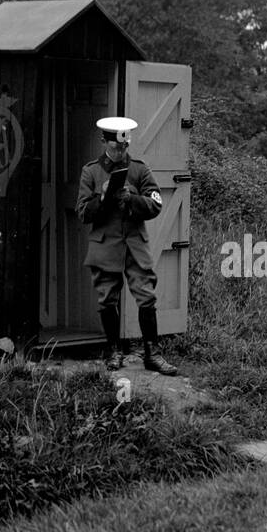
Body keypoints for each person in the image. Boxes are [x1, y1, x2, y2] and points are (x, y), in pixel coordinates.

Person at [76, 117, 178, 375]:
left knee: (146, 297)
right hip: (105, 244)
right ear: (104, 141)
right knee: (106, 299)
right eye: (116, 144)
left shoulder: (140, 170)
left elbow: (155, 204)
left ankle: (152, 354)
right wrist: (104, 199)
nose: (122, 150)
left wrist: (132, 198)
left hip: (135, 245)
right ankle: (113, 350)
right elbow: (82, 213)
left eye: (125, 144)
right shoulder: (91, 172)